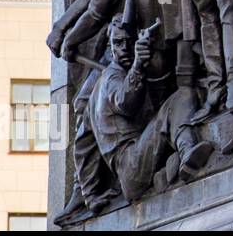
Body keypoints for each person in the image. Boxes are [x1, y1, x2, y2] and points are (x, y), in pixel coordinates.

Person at [46, 0, 133, 222]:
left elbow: (99, 6)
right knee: (85, 104)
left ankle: (89, 193)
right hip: (109, 38)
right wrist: (60, 25)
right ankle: (88, 192)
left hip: (127, 38)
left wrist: (71, 38)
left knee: (87, 103)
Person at [88, 18, 214, 202]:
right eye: (118, 42)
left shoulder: (92, 95)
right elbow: (125, 102)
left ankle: (166, 172)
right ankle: (187, 152)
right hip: (131, 165)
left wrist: (89, 194)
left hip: (131, 168)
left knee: (169, 110)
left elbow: (83, 143)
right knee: (183, 96)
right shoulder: (111, 77)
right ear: (110, 47)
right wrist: (138, 65)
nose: (124, 48)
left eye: (128, 42)